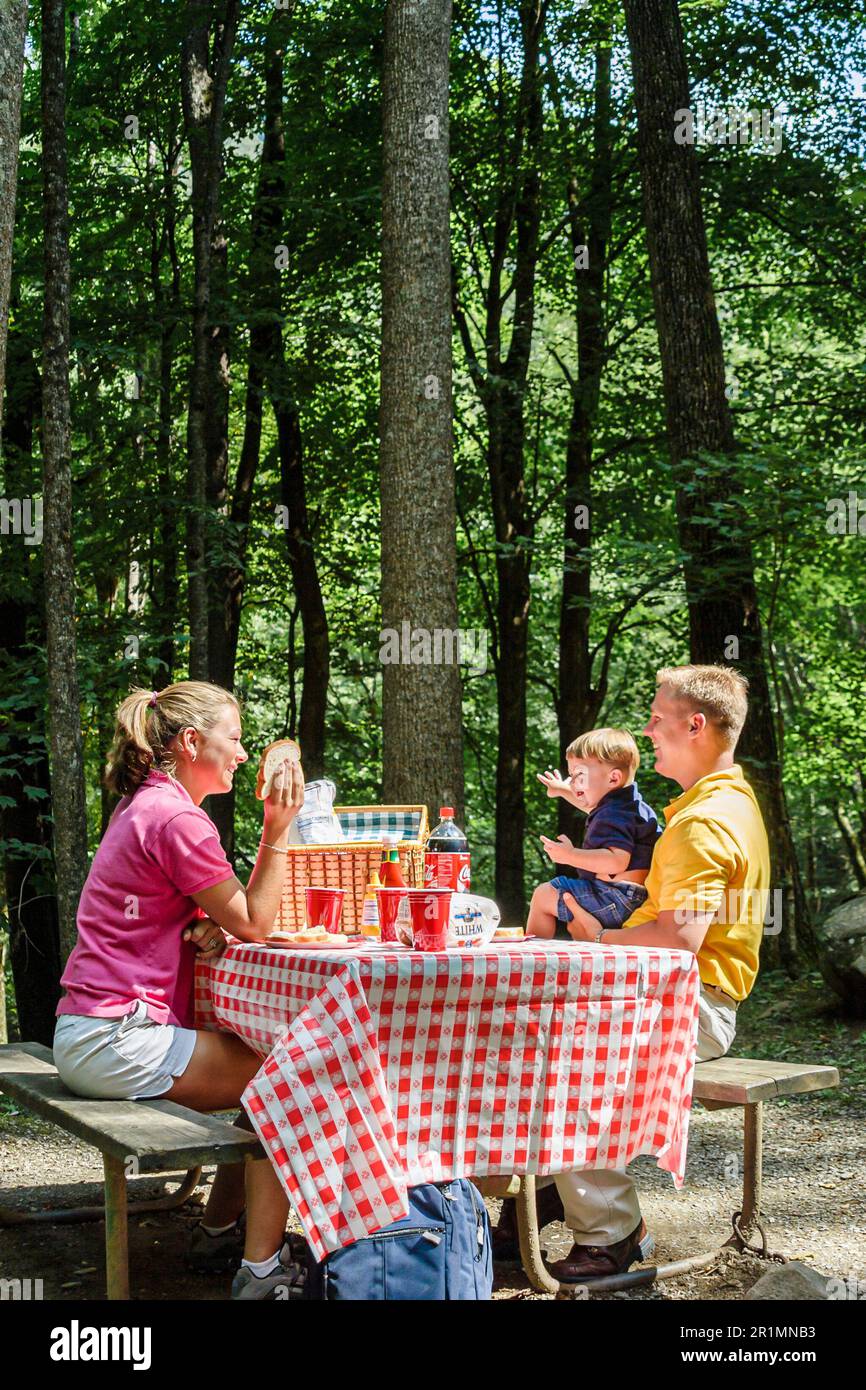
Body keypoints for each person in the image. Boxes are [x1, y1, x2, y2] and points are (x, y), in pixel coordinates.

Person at [53, 681, 306, 1300]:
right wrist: (278, 826)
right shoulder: (176, 816)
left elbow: (171, 911)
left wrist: (204, 926)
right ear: (192, 742)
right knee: (294, 1077)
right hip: (114, 1039)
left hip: (89, 1029)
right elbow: (258, 922)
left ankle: (222, 1229)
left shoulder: (146, 803)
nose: (243, 753)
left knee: (262, 1068)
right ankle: (263, 1274)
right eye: (235, 738)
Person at [520, 664, 770, 1283]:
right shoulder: (725, 800)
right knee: (532, 1023)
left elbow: (677, 941)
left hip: (694, 1004)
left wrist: (596, 934)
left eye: (658, 719)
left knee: (567, 1053)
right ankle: (556, 1188)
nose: (649, 730)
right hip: (677, 992)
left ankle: (613, 1234)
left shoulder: (703, 822)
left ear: (695, 724)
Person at [526, 728, 661, 941]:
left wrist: (570, 856)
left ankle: (531, 957)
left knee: (543, 895)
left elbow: (617, 861)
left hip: (615, 897)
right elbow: (589, 806)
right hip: (629, 897)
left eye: (578, 775)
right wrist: (561, 789)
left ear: (613, 778)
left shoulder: (613, 814)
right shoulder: (627, 806)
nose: (572, 782)